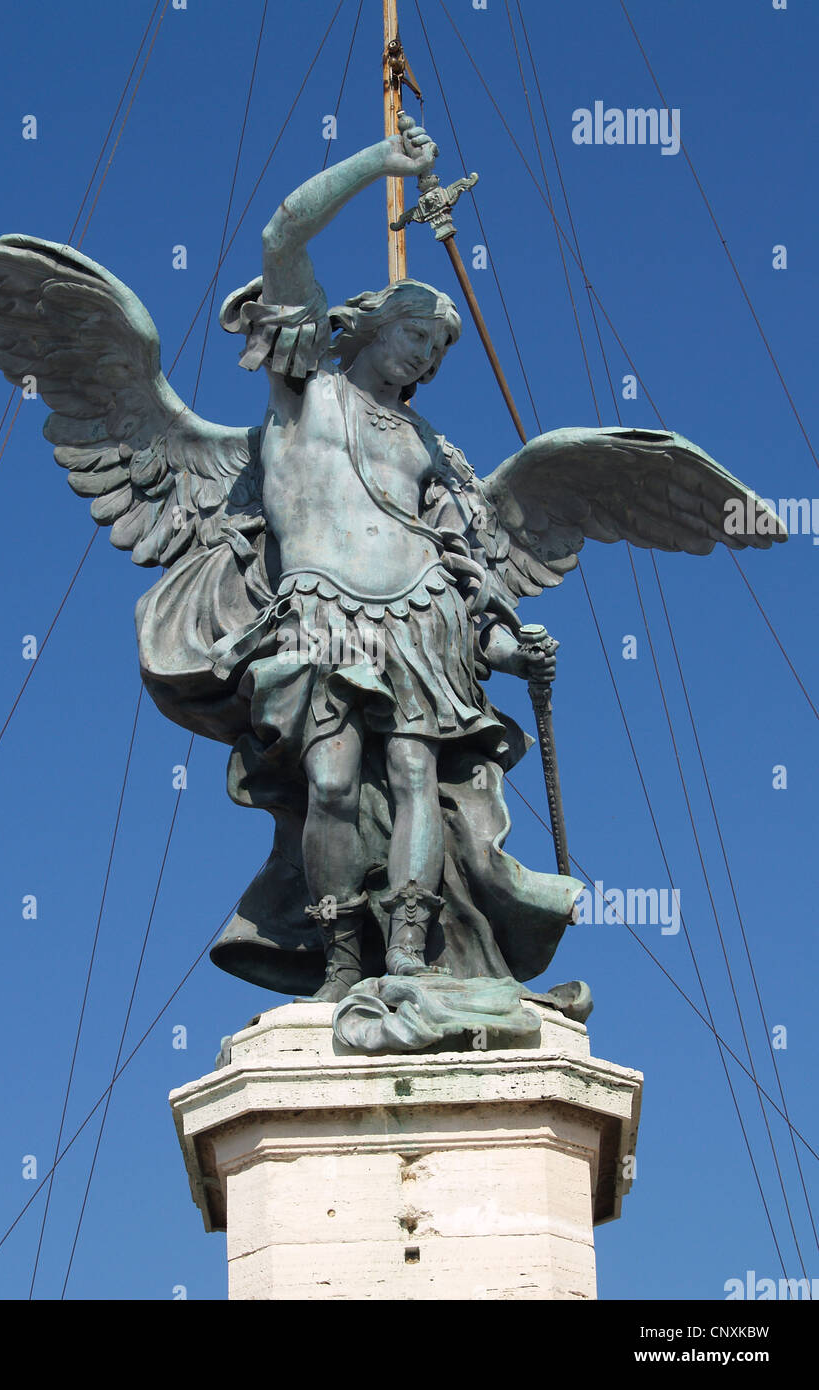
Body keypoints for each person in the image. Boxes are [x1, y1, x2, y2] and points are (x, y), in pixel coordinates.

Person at [215, 123, 559, 1001]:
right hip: (319, 613)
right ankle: (336, 955)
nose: (426, 358)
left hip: (418, 617)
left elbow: (465, 567)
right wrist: (384, 165)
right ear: (372, 325)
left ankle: (407, 945)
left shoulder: (429, 449)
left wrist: (508, 652)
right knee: (329, 784)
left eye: (439, 352)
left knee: (414, 773)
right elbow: (281, 236)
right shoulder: (302, 392)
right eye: (416, 336)